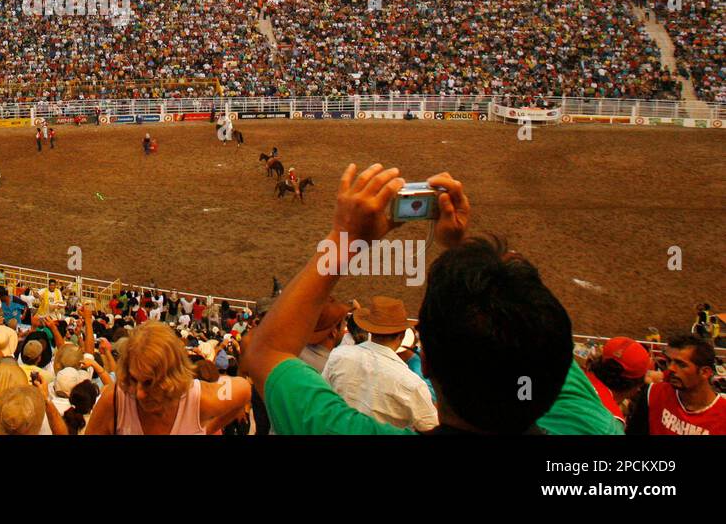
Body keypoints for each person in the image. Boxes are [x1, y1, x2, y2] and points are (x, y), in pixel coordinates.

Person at [241, 162, 622, 435]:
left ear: (430, 367)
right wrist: (460, 248)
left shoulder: (337, 425)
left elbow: (265, 352)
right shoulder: (590, 423)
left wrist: (345, 237)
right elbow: (534, 340)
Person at [85, 322, 251, 435]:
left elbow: (243, 389)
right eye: (134, 380)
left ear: (172, 377)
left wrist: (208, 429)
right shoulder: (115, 400)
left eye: (149, 382)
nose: (139, 393)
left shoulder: (197, 399)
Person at [322, 295, 437, 431]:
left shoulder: (338, 355)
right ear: (402, 335)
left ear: (371, 330)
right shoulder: (412, 383)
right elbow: (431, 427)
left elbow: (324, 398)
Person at [627, 334, 726, 435]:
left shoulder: (722, 416)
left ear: (705, 372)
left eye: (681, 364)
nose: (671, 368)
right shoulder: (653, 394)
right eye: (669, 361)